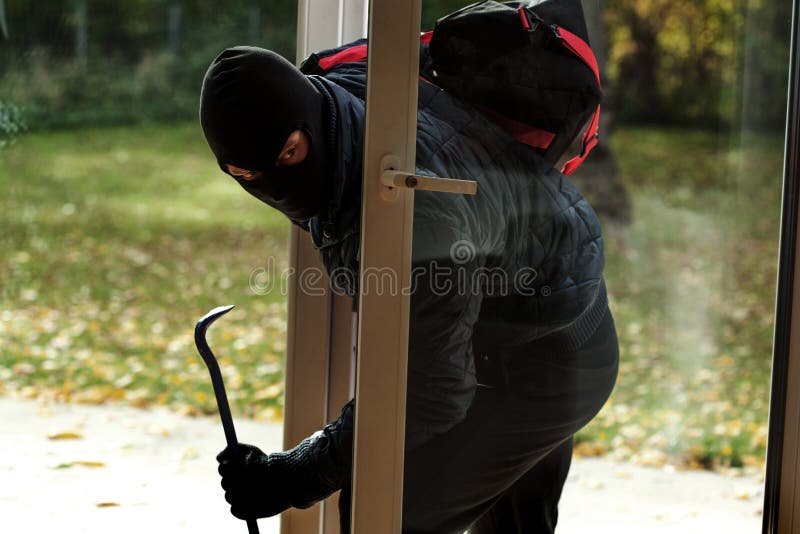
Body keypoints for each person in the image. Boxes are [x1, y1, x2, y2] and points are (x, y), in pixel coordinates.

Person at [198, 39, 619, 534]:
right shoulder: (344, 108)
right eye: (246, 175)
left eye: (289, 153)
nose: (273, 184)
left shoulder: (409, 207)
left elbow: (427, 391)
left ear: (309, 115)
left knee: (386, 511)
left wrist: (291, 475)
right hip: (507, 327)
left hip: (545, 362)